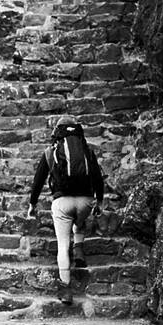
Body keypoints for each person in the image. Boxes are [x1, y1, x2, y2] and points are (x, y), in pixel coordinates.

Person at [25, 116, 105, 305]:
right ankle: (79, 250)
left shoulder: (50, 152)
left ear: (57, 133)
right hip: (85, 201)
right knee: (80, 220)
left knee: (62, 245)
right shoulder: (87, 150)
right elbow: (97, 177)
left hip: (62, 203)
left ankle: (66, 288)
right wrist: (99, 202)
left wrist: (32, 205)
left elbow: (38, 181)